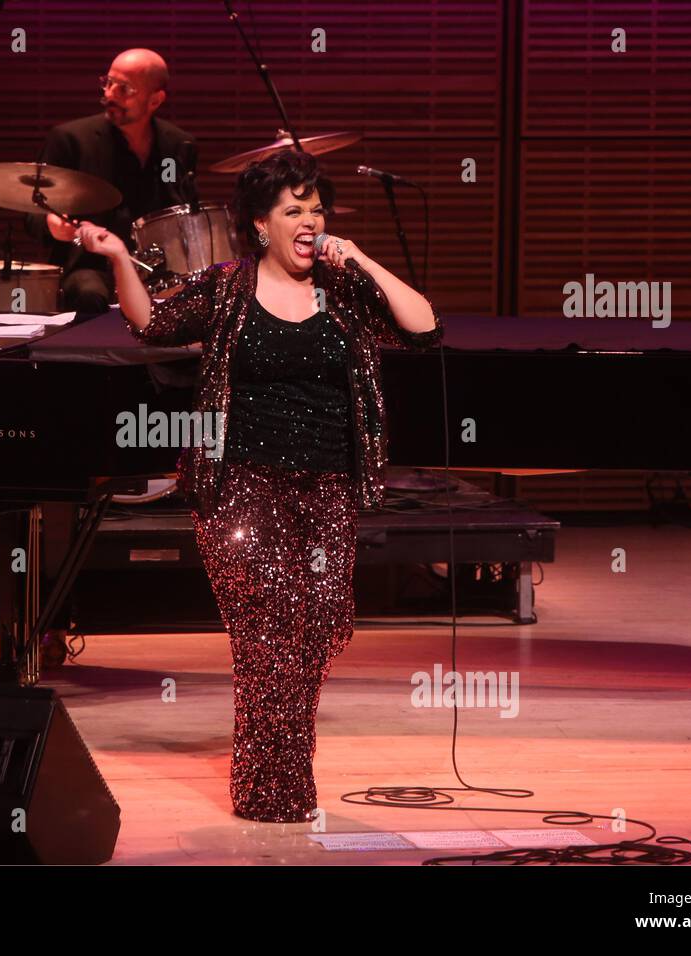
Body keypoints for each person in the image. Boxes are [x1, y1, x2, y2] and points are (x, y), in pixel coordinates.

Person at [78, 149, 443, 822]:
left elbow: (425, 327)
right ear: (259, 226)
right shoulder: (226, 285)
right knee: (270, 626)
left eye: (317, 208)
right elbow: (151, 322)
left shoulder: (345, 288)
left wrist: (359, 257)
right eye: (293, 210)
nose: (311, 221)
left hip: (328, 486)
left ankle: (275, 775)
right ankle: (270, 791)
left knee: (319, 630)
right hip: (242, 486)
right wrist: (117, 259)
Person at [25, 48, 198, 313]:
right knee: (89, 293)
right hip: (91, 265)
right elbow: (32, 214)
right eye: (108, 83)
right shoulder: (72, 140)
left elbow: (181, 211)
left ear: (155, 100)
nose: (109, 95)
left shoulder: (175, 145)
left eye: (124, 89)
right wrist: (52, 224)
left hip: (156, 268)